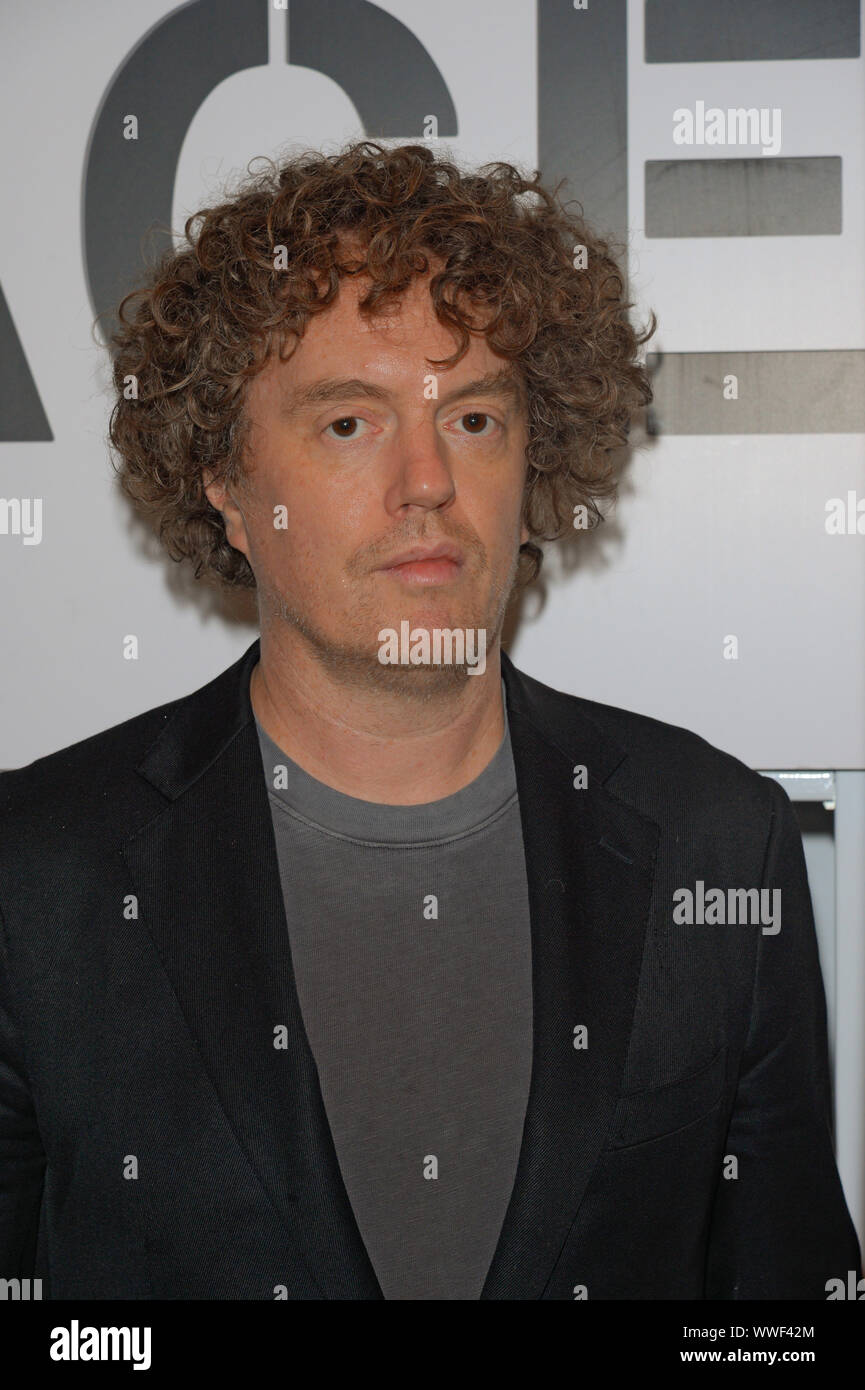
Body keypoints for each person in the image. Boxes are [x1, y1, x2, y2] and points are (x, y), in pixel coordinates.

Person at [0, 141, 859, 1300]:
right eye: (349, 423)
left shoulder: (713, 840)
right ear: (227, 484)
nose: (426, 482)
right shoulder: (37, 872)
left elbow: (783, 1317)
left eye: (472, 419)